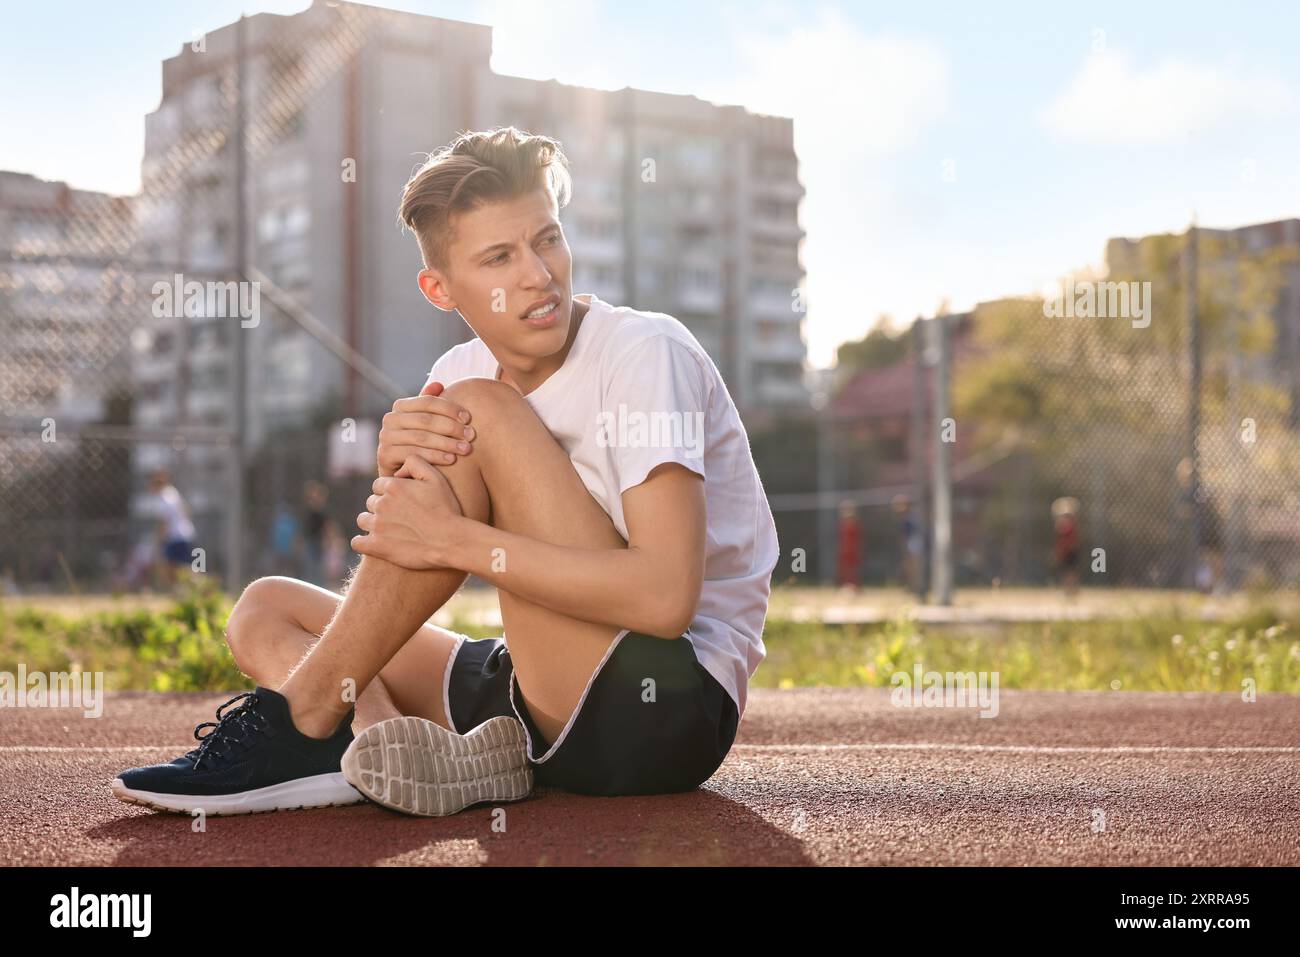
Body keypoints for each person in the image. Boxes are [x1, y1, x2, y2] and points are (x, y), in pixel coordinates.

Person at [113, 127, 780, 817]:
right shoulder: (456, 375)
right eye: (498, 257)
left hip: (662, 708)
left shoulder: (645, 352)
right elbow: (403, 563)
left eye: (547, 238)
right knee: (265, 609)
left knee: (479, 413)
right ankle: (373, 752)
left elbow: (665, 597)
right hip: (533, 683)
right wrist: (397, 478)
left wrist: (454, 540)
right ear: (441, 288)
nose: (538, 273)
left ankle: (302, 723)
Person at [146, 469, 195, 591]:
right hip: (185, 534)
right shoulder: (172, 493)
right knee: (181, 567)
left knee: (172, 567)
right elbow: (186, 511)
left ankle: (185, 589)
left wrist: (160, 540)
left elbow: (164, 522)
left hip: (175, 537)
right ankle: (185, 590)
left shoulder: (163, 498)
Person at [1051, 496, 1080, 597]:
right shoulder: (1062, 526)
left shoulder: (1069, 526)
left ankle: (1071, 590)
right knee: (1066, 572)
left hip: (1070, 551)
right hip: (1065, 552)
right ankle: (1068, 590)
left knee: (1070, 572)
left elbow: (1069, 539)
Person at [836, 501, 861, 591]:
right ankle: (846, 585)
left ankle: (854, 586)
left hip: (852, 551)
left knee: (852, 569)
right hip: (845, 551)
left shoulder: (853, 523)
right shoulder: (843, 523)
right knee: (844, 569)